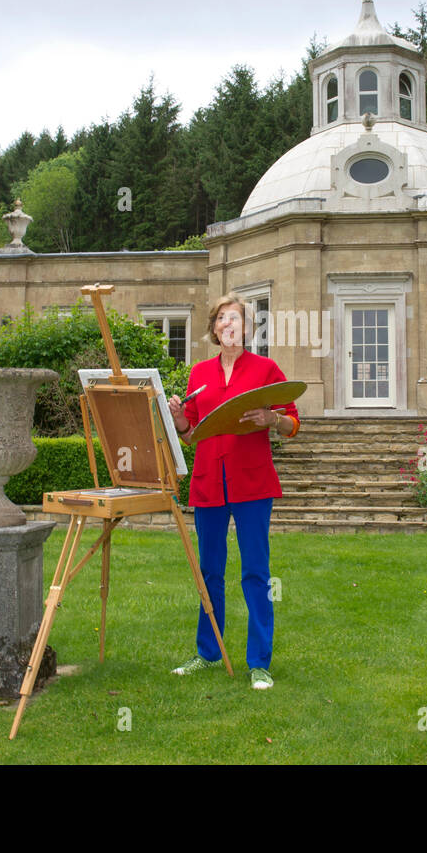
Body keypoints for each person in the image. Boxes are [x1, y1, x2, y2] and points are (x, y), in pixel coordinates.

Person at [166, 292, 299, 690]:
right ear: (214, 329)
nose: (229, 324)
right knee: (209, 573)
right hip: (209, 482)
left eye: (236, 318)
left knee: (256, 572)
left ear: (248, 328)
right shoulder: (198, 374)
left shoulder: (266, 369)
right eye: (222, 318)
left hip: (252, 483)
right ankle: (208, 652)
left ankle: (259, 662)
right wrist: (176, 420)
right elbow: (191, 436)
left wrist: (271, 418)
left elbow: (293, 424)